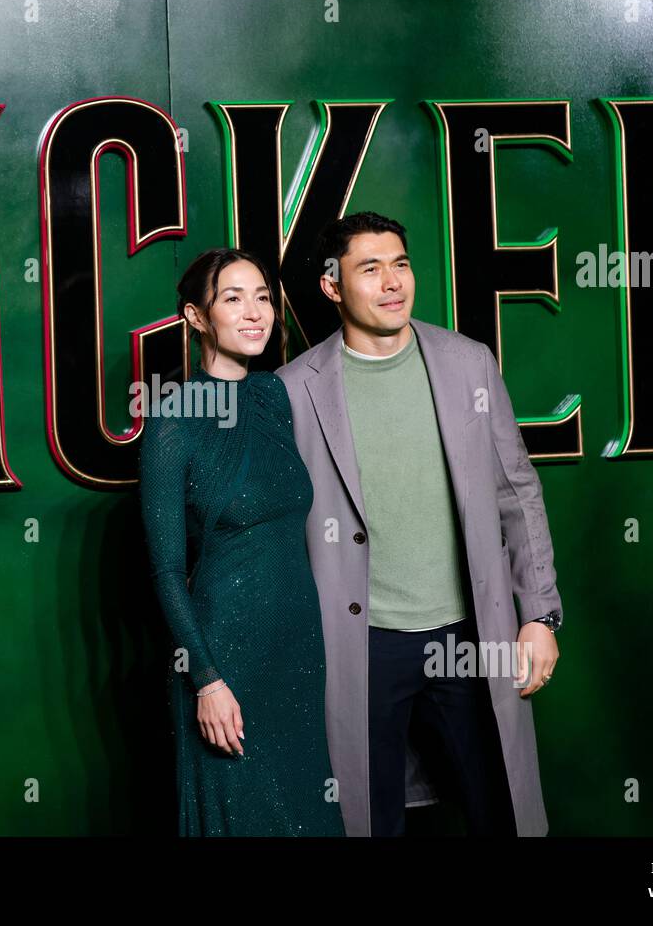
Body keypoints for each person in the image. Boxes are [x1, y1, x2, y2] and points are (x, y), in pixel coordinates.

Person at [276, 211, 564, 837]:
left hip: (468, 634)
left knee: (502, 806)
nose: (392, 282)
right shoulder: (294, 390)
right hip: (363, 643)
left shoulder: (469, 364)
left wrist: (538, 616)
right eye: (370, 268)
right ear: (332, 286)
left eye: (400, 264)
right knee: (367, 816)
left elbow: (517, 493)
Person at [138, 247, 345, 837]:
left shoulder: (273, 397)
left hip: (299, 652)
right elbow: (164, 572)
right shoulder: (172, 418)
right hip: (225, 656)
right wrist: (206, 678)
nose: (256, 313)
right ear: (195, 318)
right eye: (233, 298)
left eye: (262, 297)